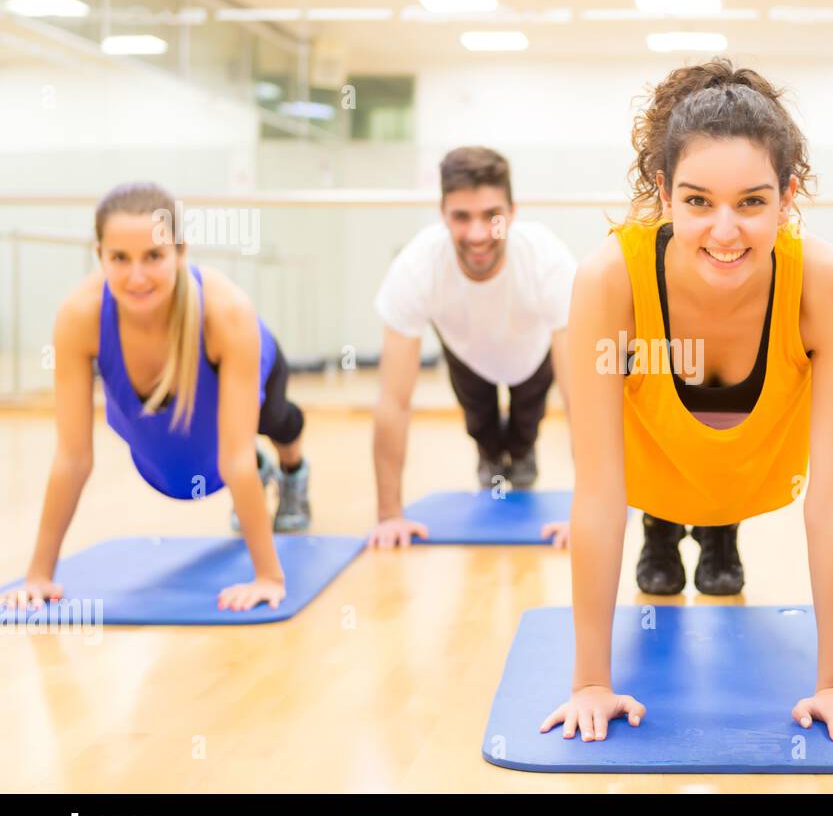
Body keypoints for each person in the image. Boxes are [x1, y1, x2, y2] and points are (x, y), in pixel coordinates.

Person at [540, 58, 833, 743]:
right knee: (656, 530)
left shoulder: (830, 283)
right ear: (664, 193)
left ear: (788, 197)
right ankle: (667, 526)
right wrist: (589, 683)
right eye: (699, 201)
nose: (725, 232)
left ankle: (714, 525)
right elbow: (599, 491)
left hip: (754, 471)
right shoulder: (610, 278)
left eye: (752, 202)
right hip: (655, 468)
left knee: (720, 524)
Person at [3, 182, 309, 613]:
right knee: (219, 452)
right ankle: (259, 476)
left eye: (154, 256)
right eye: (120, 259)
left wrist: (268, 577)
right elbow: (73, 457)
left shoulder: (227, 312)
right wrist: (38, 576)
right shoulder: (79, 316)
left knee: (272, 421)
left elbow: (233, 457)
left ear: (181, 252)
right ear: (99, 257)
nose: (137, 277)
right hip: (182, 432)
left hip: (257, 366)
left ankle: (292, 473)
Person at [368, 147, 575, 550]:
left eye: (491, 216)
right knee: (480, 426)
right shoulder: (416, 267)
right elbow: (393, 401)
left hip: (532, 356)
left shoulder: (547, 259)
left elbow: (581, 399)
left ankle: (520, 452)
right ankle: (492, 458)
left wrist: (586, 512)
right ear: (443, 212)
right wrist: (389, 515)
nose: (478, 234)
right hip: (467, 355)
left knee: (524, 429)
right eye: (462, 217)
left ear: (513, 212)